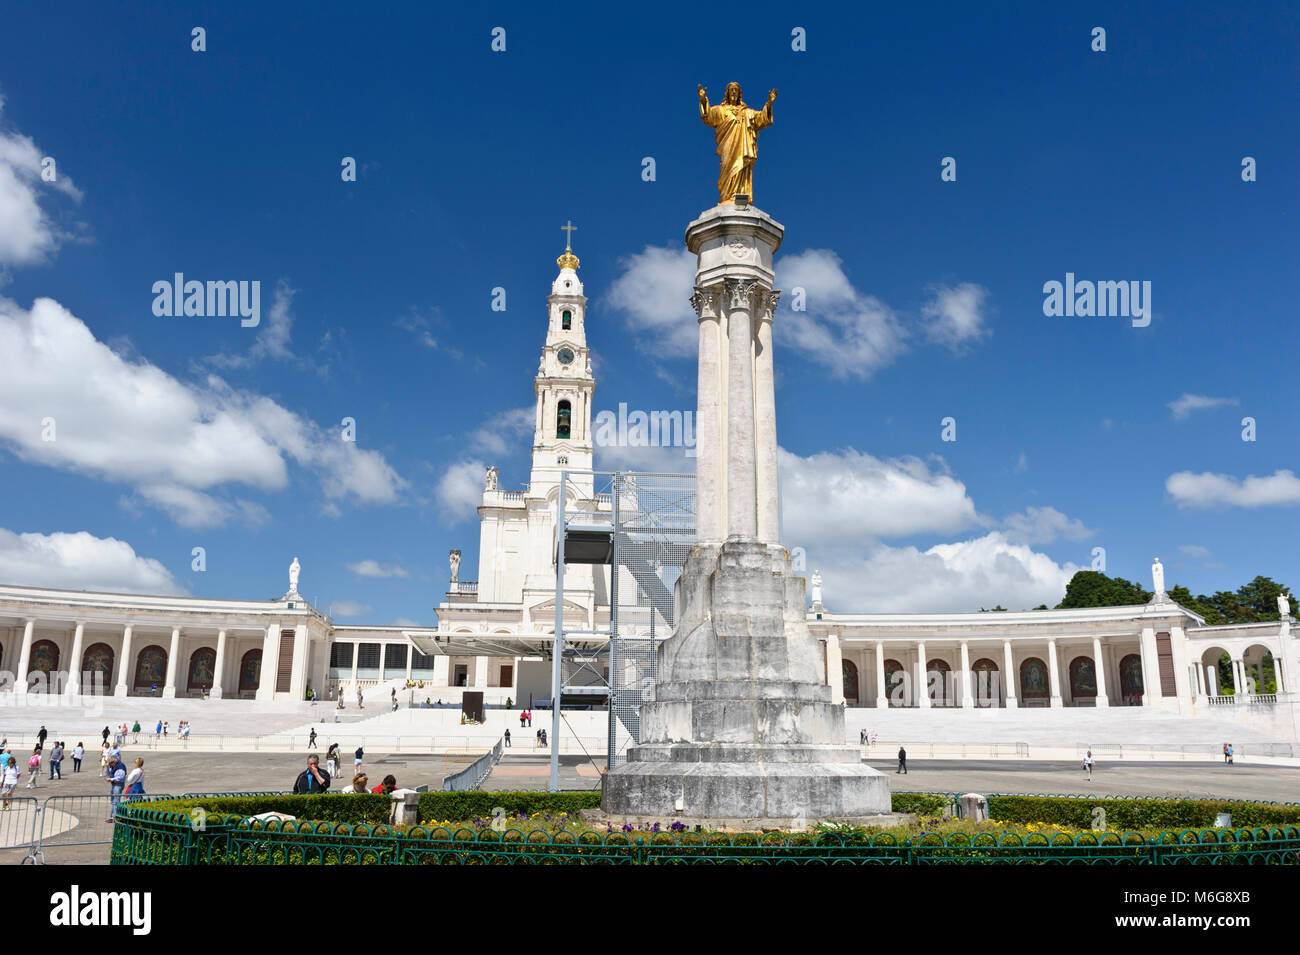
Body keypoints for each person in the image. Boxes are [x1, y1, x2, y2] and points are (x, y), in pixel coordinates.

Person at [106, 756, 127, 821]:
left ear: (114, 762)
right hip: (114, 784)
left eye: (110, 763)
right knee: (113, 801)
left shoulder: (120, 767)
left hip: (118, 784)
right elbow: (109, 773)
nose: (109, 765)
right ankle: (113, 817)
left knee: (116, 801)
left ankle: (114, 817)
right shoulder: (113, 766)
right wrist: (107, 768)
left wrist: (111, 779)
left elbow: (121, 777)